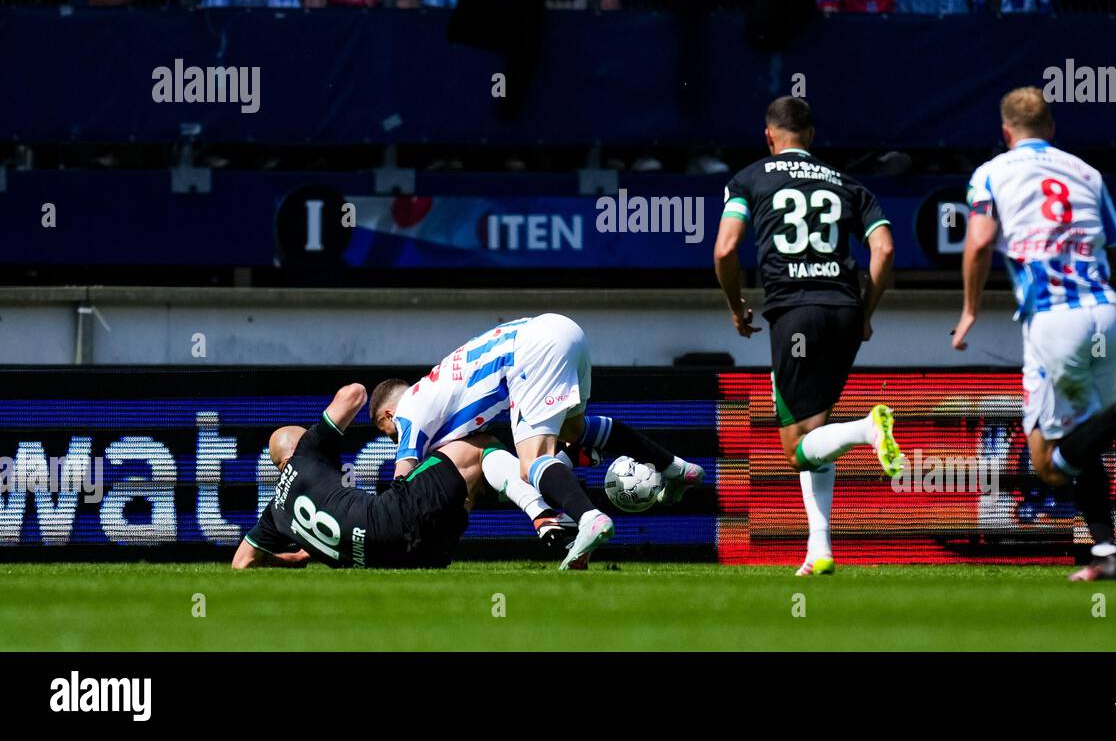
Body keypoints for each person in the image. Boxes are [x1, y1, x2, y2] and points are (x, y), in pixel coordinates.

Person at [952, 86, 1116, 582]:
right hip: (1106, 311)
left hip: (1053, 319)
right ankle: (1106, 554)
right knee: (1085, 441)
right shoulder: (1088, 172)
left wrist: (971, 309)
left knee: (1048, 464)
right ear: (1052, 129)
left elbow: (977, 241)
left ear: (1005, 133)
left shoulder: (990, 173)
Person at [713, 96, 904, 577]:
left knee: (796, 449)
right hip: (842, 311)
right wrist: (865, 312)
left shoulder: (749, 179)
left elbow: (725, 249)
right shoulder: (847, 183)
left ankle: (866, 429)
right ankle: (818, 549)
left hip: (794, 313)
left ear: (769, 136)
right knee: (815, 432)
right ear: (813, 137)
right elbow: (884, 248)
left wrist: (737, 307)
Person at [368, 314, 705, 570]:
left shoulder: (408, 410)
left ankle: (589, 518)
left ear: (387, 415)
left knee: (532, 462)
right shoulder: (436, 394)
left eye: (391, 434)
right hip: (565, 330)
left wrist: (378, 527)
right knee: (572, 431)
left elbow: (404, 476)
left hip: (530, 351)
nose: (397, 437)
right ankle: (673, 467)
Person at [232, 384, 485, 569]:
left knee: (463, 483)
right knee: (479, 445)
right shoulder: (307, 451)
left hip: (405, 559)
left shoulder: (274, 514)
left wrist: (292, 559)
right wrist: (319, 434)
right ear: (294, 452)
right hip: (395, 521)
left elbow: (241, 563)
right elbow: (355, 393)